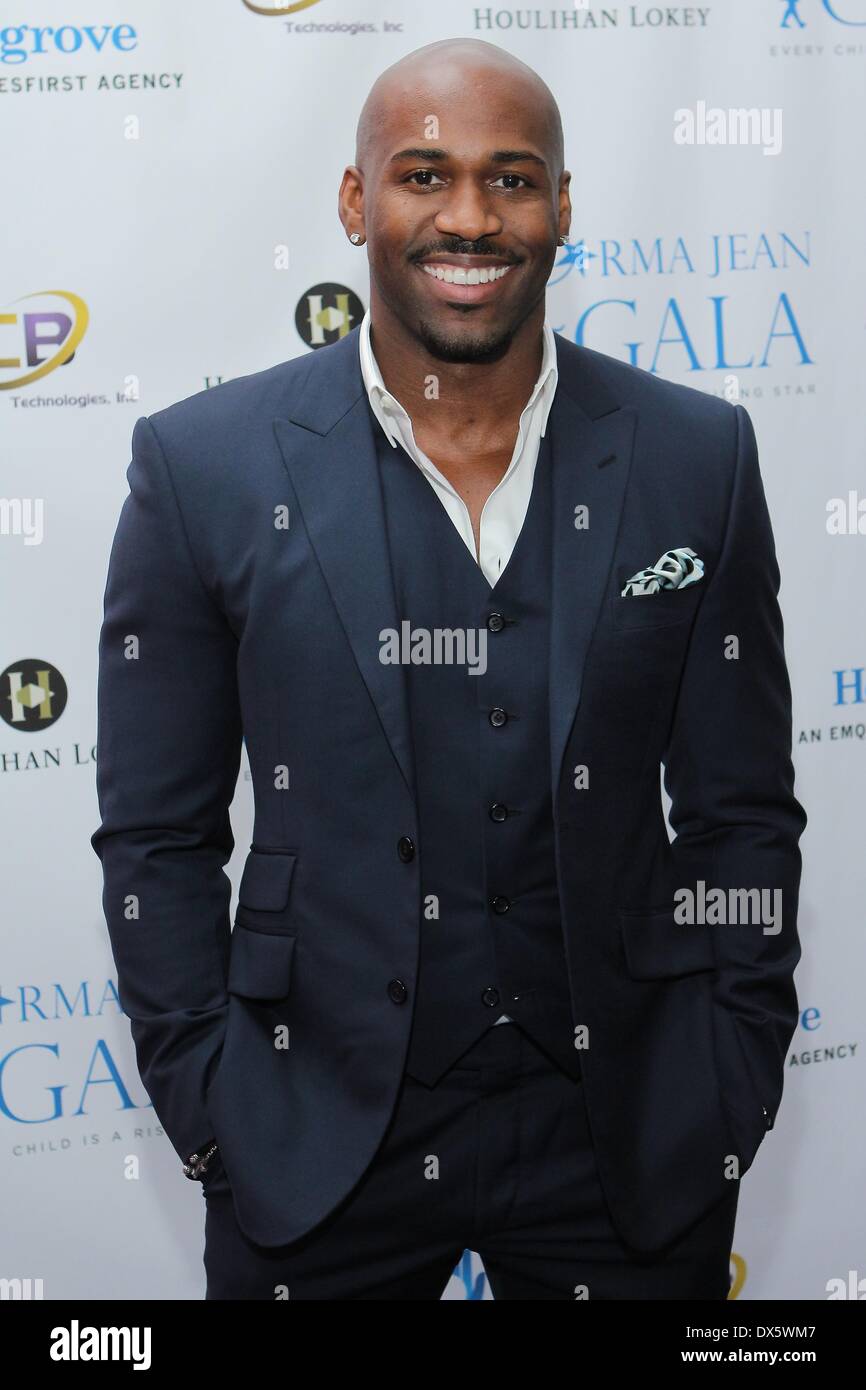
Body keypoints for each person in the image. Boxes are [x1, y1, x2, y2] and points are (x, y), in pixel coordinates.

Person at [91, 37, 807, 1300]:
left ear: (563, 207)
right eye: (423, 175)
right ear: (357, 201)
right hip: (311, 1133)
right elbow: (156, 830)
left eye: (510, 177)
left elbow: (738, 814)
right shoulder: (205, 465)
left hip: (626, 1134)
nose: (468, 217)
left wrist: (729, 1075)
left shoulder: (698, 456)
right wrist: (214, 1104)